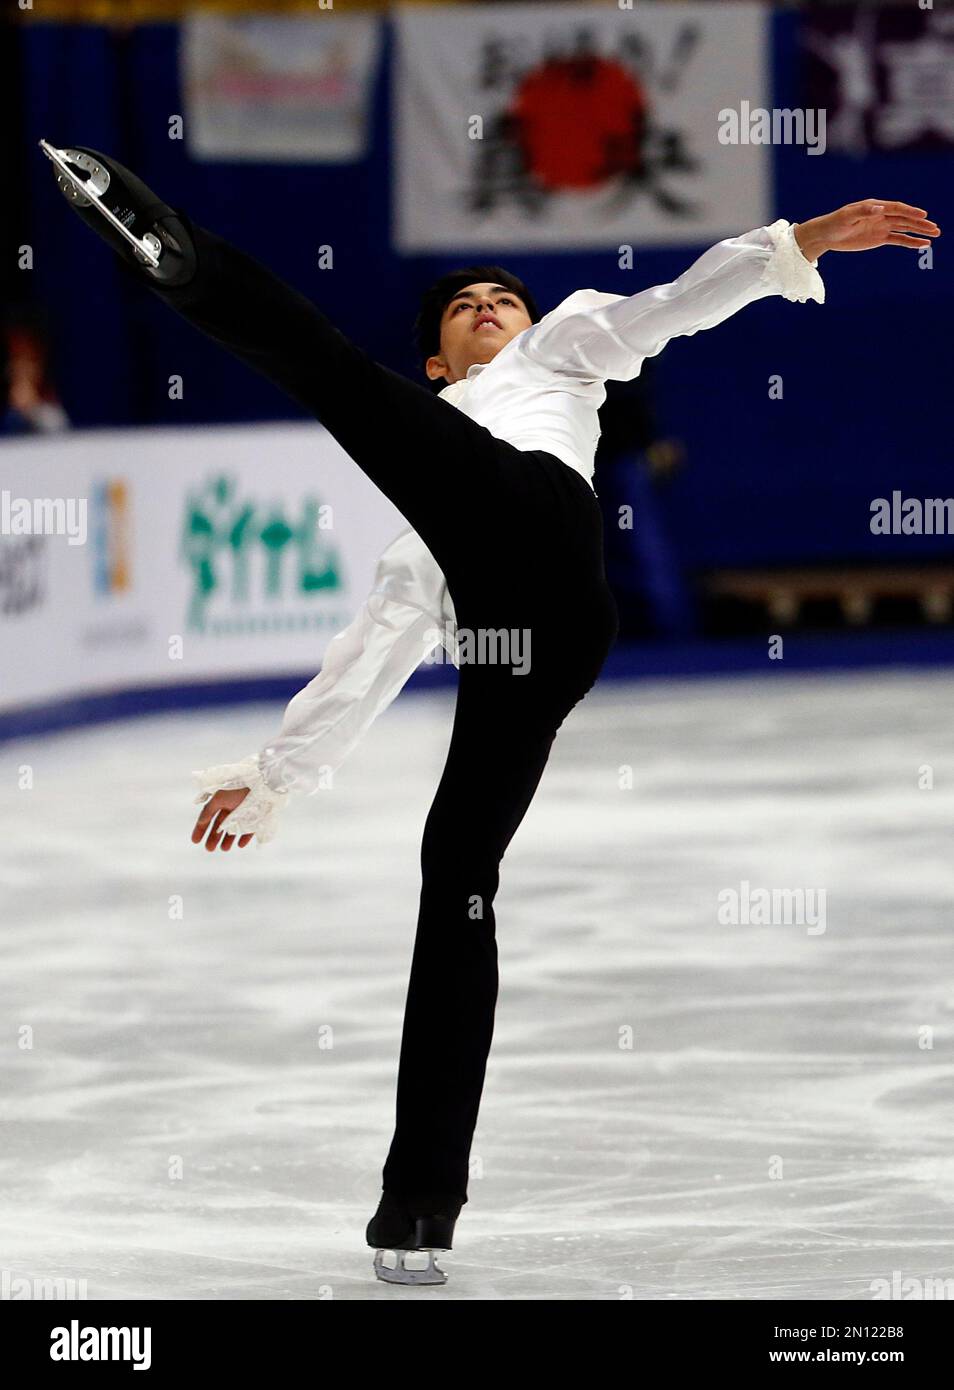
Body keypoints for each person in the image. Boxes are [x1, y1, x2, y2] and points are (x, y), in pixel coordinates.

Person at [42, 141, 938, 1284]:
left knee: (324, 367)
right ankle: (418, 1206)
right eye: (465, 307)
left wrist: (797, 244)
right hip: (524, 636)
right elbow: (371, 656)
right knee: (454, 875)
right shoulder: (427, 511)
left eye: (498, 298)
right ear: (439, 359)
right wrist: (276, 778)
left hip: (550, 546)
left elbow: (674, 306)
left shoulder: (562, 347)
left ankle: (167, 245)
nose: (486, 310)